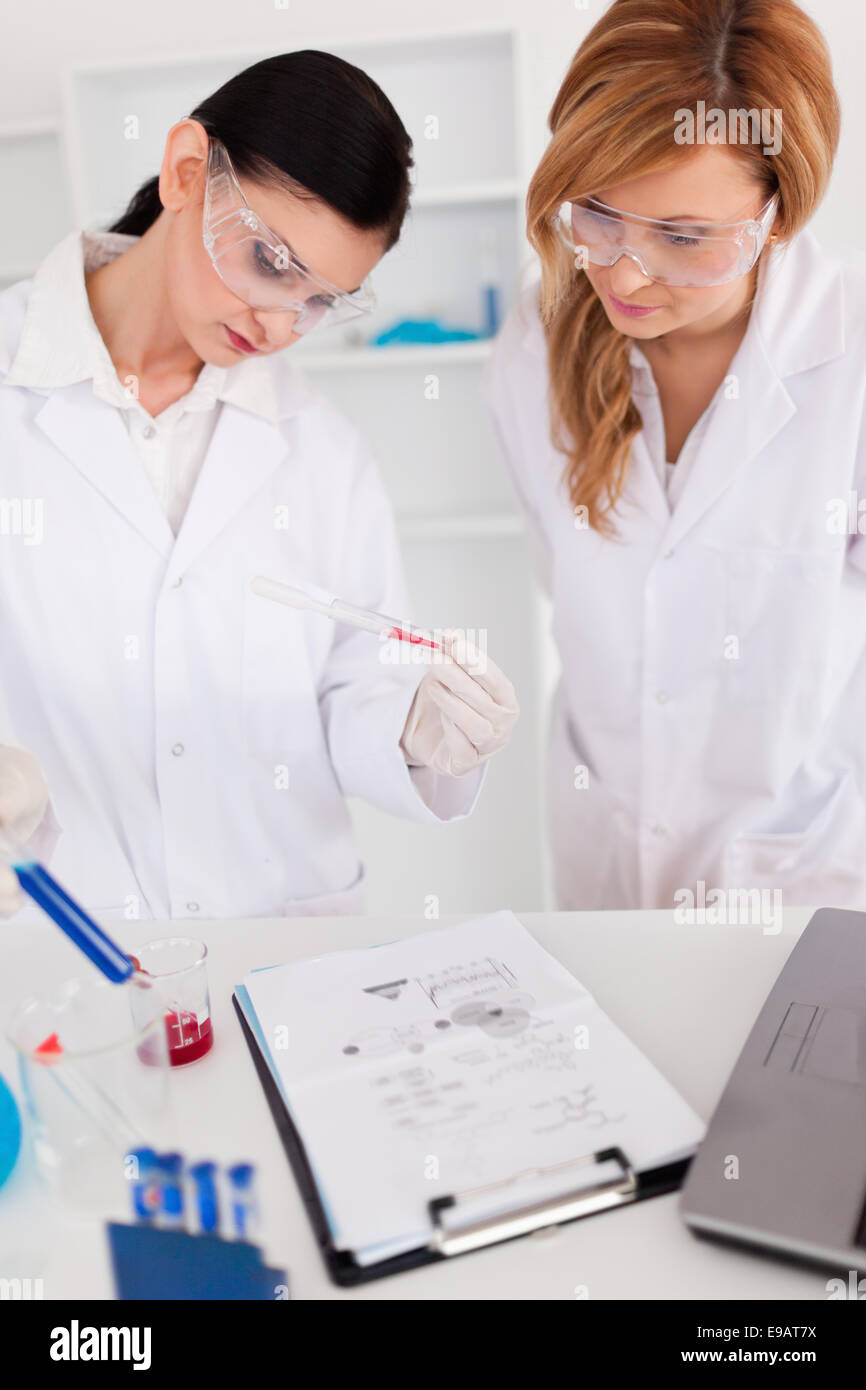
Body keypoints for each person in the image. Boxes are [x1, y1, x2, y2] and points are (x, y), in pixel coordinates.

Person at [0, 51, 518, 923]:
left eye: (321, 300)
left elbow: (355, 683)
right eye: (271, 260)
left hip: (281, 942)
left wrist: (416, 731)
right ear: (186, 173)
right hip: (58, 938)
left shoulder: (324, 452)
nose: (280, 324)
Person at [484, 0, 866, 911]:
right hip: (604, 855)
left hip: (804, 867)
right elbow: (561, 577)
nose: (623, 273)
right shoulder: (534, 348)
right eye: (599, 215)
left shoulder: (850, 359)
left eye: (684, 238)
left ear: (781, 211)